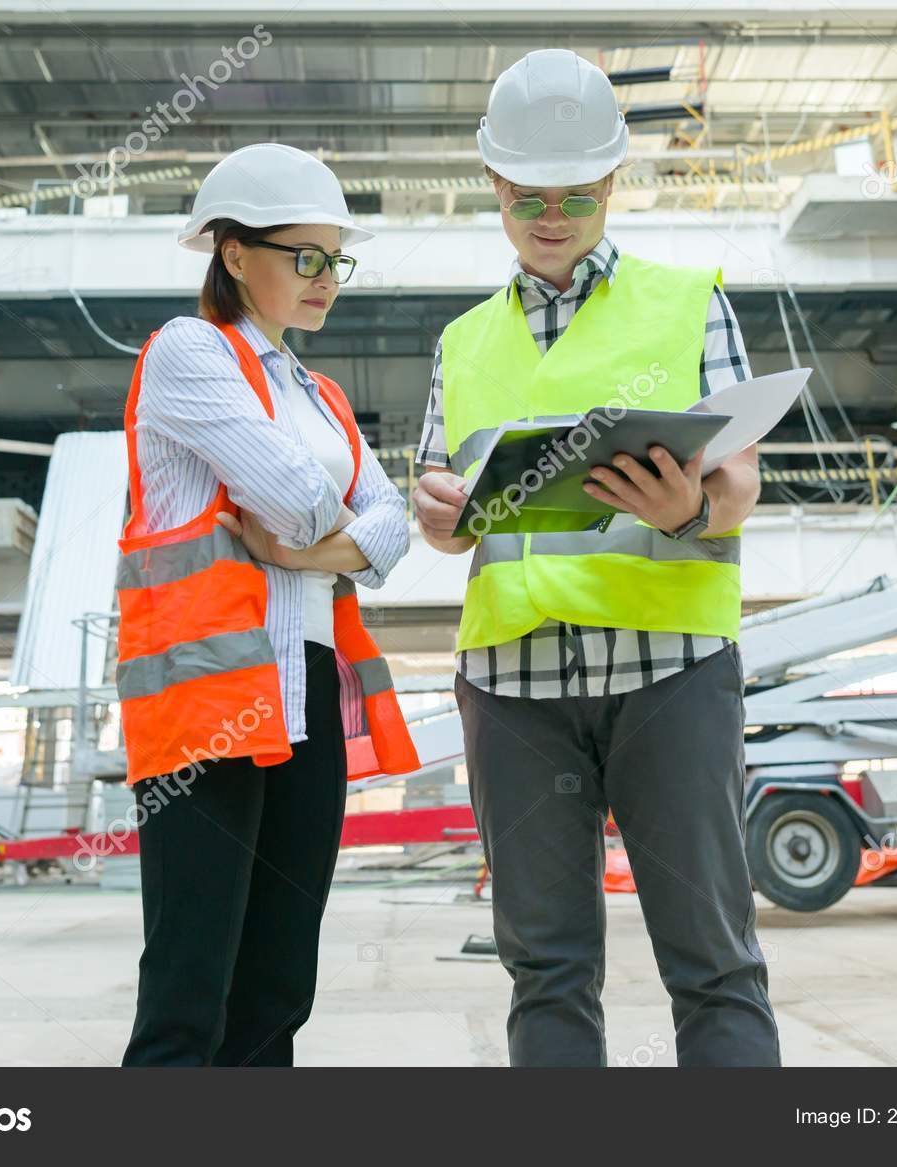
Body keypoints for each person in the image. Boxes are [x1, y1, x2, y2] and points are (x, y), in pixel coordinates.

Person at [411, 50, 781, 1067]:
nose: (552, 214)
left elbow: (739, 477)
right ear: (495, 184)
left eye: (577, 194)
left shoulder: (687, 299)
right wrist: (438, 516)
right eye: (529, 195)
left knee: (712, 963)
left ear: (613, 182)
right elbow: (445, 503)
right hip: (512, 685)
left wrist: (691, 506)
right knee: (546, 971)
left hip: (668, 674)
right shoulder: (461, 342)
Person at [118, 143, 416, 1067]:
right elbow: (297, 492)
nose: (327, 278)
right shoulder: (187, 352)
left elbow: (395, 526)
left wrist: (308, 548)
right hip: (210, 697)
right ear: (235, 253)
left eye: (337, 259)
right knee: (190, 988)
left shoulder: (317, 392)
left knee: (281, 986)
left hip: (308, 695)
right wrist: (334, 538)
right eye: (307, 256)